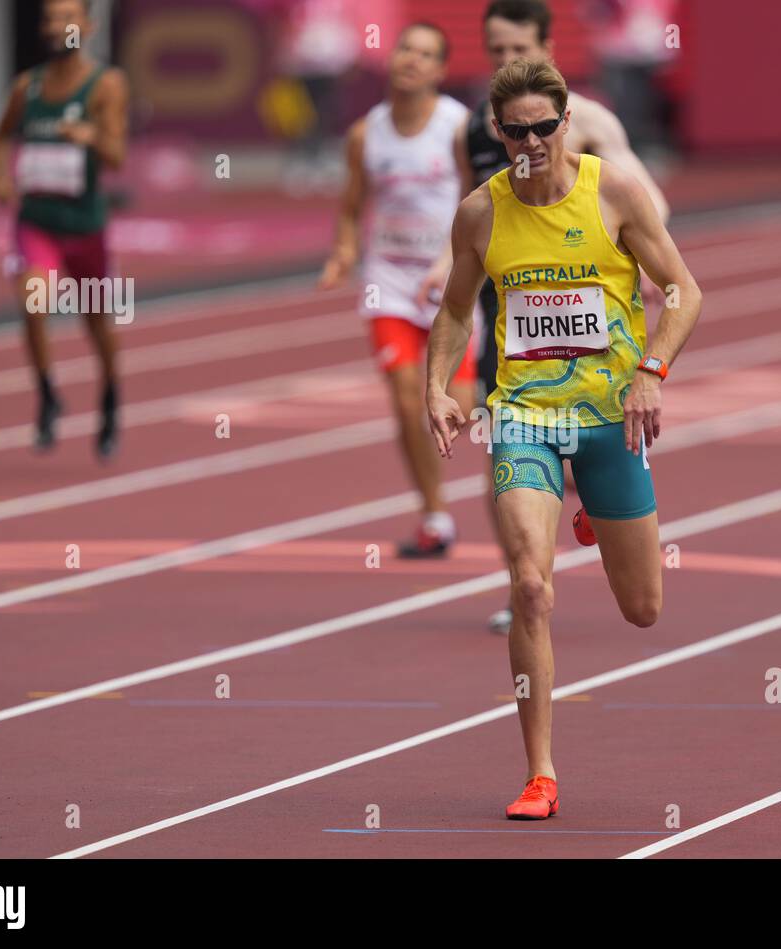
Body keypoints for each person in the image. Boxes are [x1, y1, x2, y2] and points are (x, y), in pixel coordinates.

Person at [424, 59, 701, 819]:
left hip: (611, 417)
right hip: (524, 417)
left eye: (545, 127)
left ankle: (598, 517)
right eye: (516, 131)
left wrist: (651, 371)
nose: (532, 142)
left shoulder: (611, 189)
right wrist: (436, 388)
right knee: (530, 587)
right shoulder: (481, 212)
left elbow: (683, 288)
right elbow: (453, 310)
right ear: (497, 131)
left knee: (642, 606)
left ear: (566, 121)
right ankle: (540, 771)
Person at [417, 0, 671, 633]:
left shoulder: (591, 127)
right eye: (497, 51)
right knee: (502, 453)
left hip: (595, 347)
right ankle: (525, 581)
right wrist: (437, 264)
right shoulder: (475, 131)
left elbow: (650, 204)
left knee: (642, 606)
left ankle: (593, 503)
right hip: (505, 323)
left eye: (519, 49)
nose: (508, 60)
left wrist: (611, 252)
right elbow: (465, 215)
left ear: (547, 46)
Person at [319, 23, 478, 557]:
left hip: (449, 283)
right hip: (387, 282)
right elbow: (349, 208)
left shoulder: (458, 127)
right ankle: (434, 515)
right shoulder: (367, 134)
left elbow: (479, 202)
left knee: (458, 407)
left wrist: (450, 258)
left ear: (439, 69)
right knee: (408, 400)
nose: (412, 59)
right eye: (406, 48)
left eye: (426, 54)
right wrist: (343, 252)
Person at [0, 0, 129, 458]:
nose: (57, 26)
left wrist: (90, 136)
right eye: (50, 19)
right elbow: (0, 138)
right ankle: (48, 392)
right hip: (37, 222)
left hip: (86, 227)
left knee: (98, 325)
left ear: (86, 26)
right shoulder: (26, 87)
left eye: (68, 18)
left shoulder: (105, 84)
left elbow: (116, 156)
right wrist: (1, 178)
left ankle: (110, 398)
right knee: (35, 300)